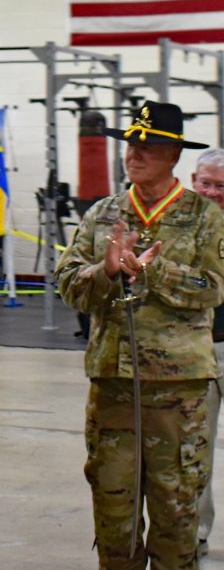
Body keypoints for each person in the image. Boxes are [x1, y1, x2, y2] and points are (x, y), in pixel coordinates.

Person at [55, 100, 224, 569]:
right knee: (115, 513)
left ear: (174, 155)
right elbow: (67, 283)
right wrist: (104, 272)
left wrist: (155, 272)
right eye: (131, 144)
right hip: (113, 386)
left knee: (175, 510)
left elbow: (214, 287)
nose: (135, 154)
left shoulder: (205, 217)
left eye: (148, 146)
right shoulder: (104, 214)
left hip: (178, 392)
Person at [191, 148, 224, 557]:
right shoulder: (178, 225)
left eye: (221, 187)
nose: (212, 192)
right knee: (194, 446)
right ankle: (193, 529)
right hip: (197, 349)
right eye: (205, 183)